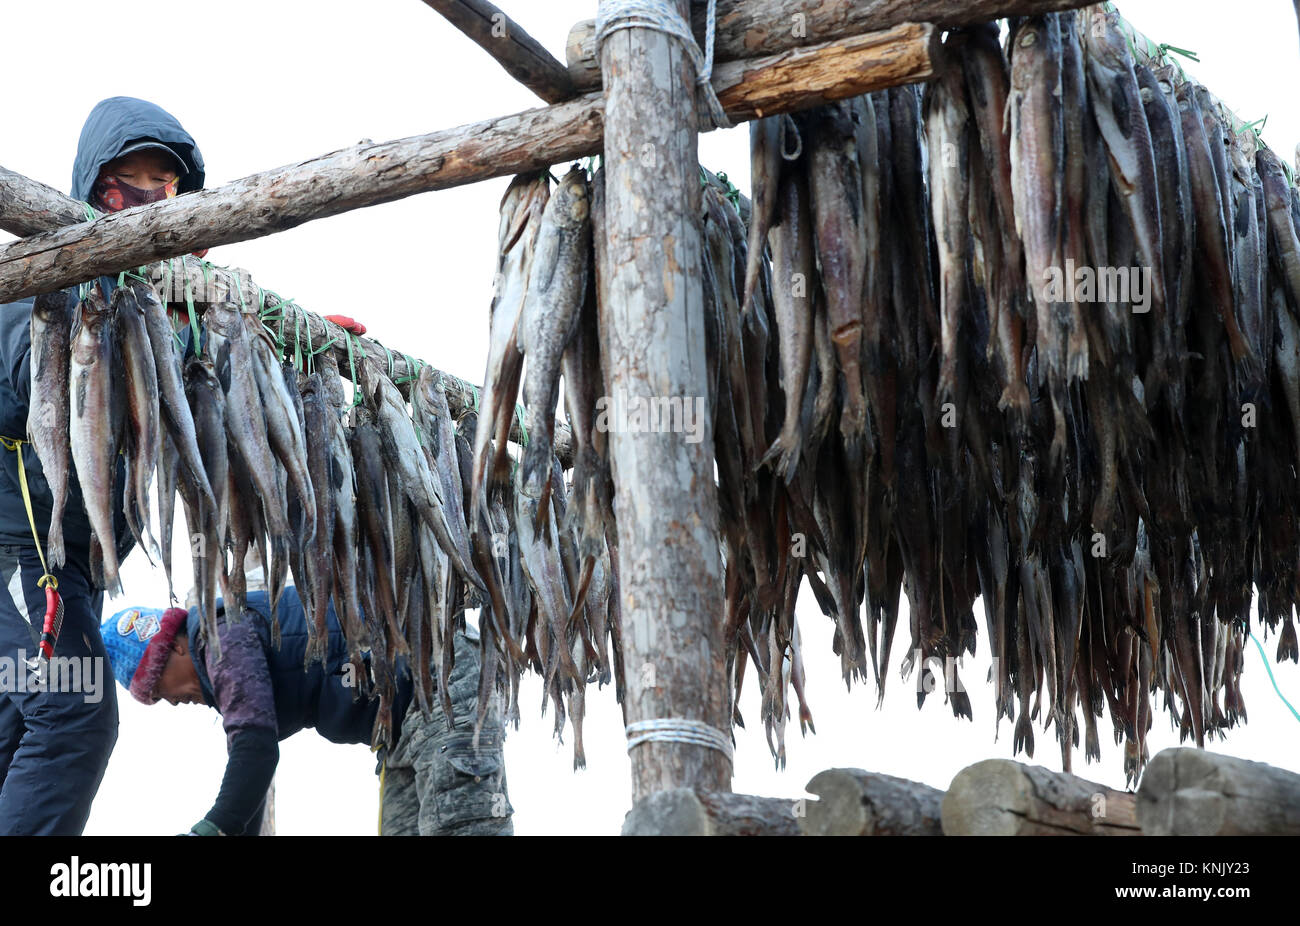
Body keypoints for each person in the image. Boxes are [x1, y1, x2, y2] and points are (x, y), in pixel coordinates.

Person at [0, 97, 204, 835]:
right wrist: (87, 331)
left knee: (19, 732)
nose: (163, 197)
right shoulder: (40, 290)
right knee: (74, 717)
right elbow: (36, 377)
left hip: (58, 568)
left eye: (174, 185)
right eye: (147, 178)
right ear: (101, 190)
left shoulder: (144, 304)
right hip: (26, 560)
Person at [102, 582, 513, 836]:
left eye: (158, 687)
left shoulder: (222, 635)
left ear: (173, 647)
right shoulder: (223, 672)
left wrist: (209, 830)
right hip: (402, 726)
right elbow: (250, 777)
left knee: (461, 826)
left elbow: (256, 750)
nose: (171, 701)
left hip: (439, 685)